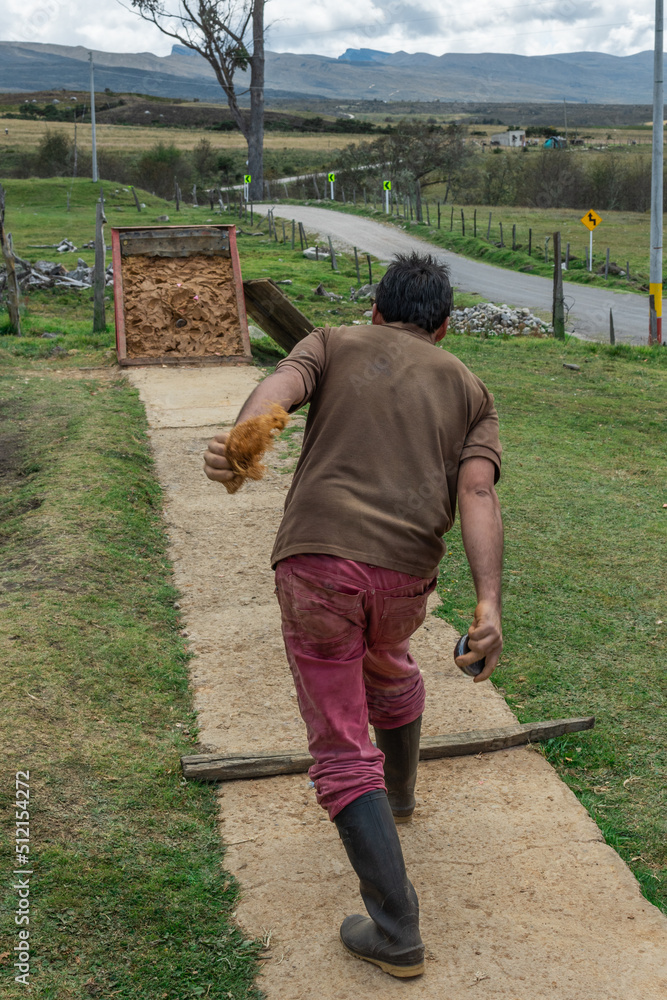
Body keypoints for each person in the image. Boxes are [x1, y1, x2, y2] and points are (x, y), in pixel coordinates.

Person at [204, 251, 503, 979]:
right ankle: (396, 794)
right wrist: (488, 603)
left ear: (375, 310)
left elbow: (282, 383)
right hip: (403, 582)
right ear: (442, 326)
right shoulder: (468, 387)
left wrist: (246, 437)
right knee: (389, 660)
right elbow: (476, 495)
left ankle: (396, 931)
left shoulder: (332, 342)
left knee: (340, 744)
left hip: (317, 569)